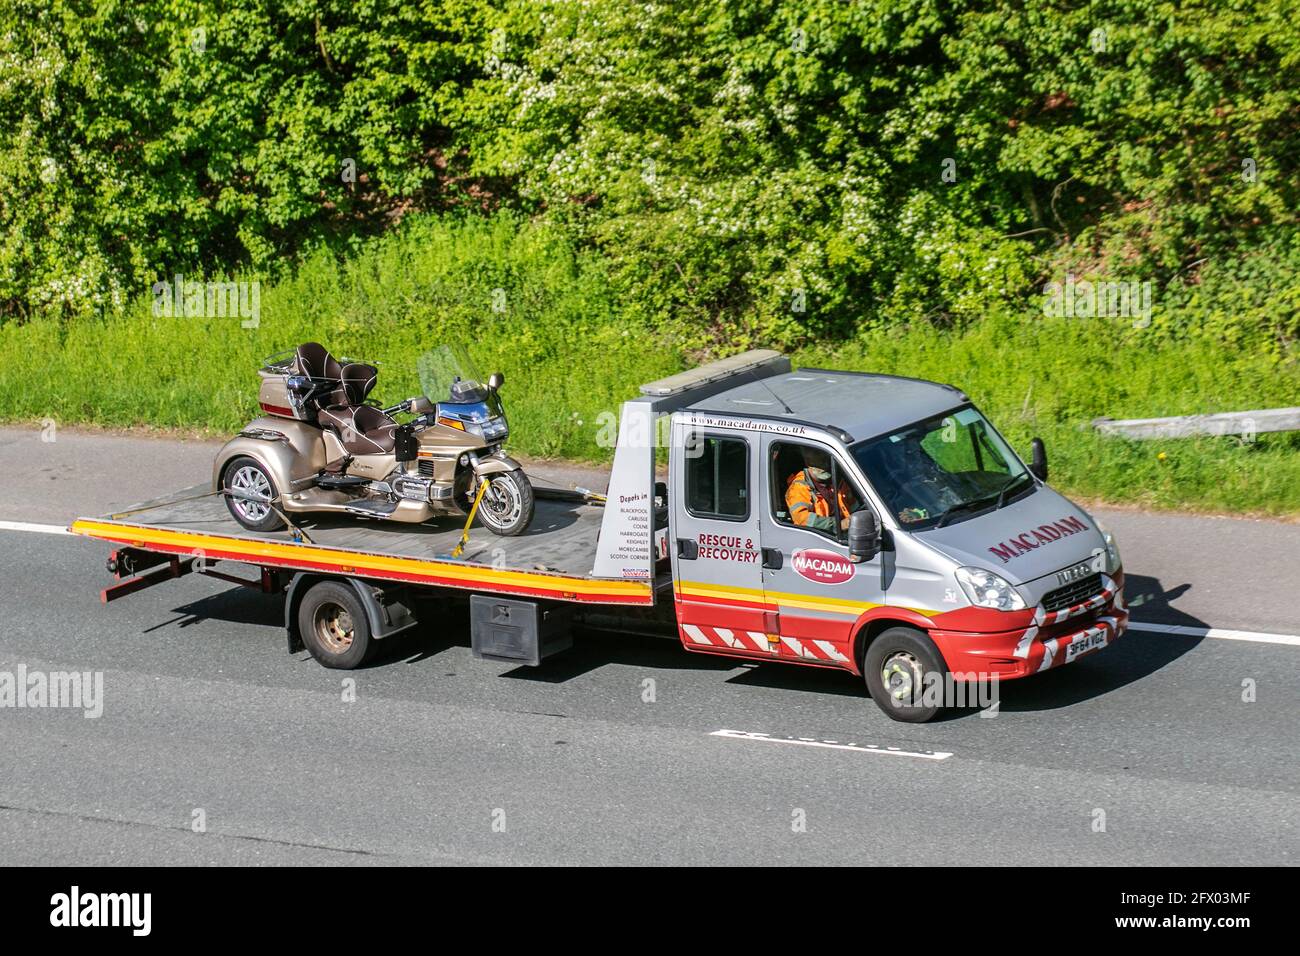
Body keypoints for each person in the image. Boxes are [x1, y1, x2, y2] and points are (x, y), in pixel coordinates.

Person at [784, 446, 858, 532]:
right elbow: (802, 519)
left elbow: (854, 507)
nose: (825, 465)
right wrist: (838, 525)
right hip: (821, 537)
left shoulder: (837, 479)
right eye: (820, 464)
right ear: (808, 463)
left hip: (848, 532)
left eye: (826, 462)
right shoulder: (799, 487)